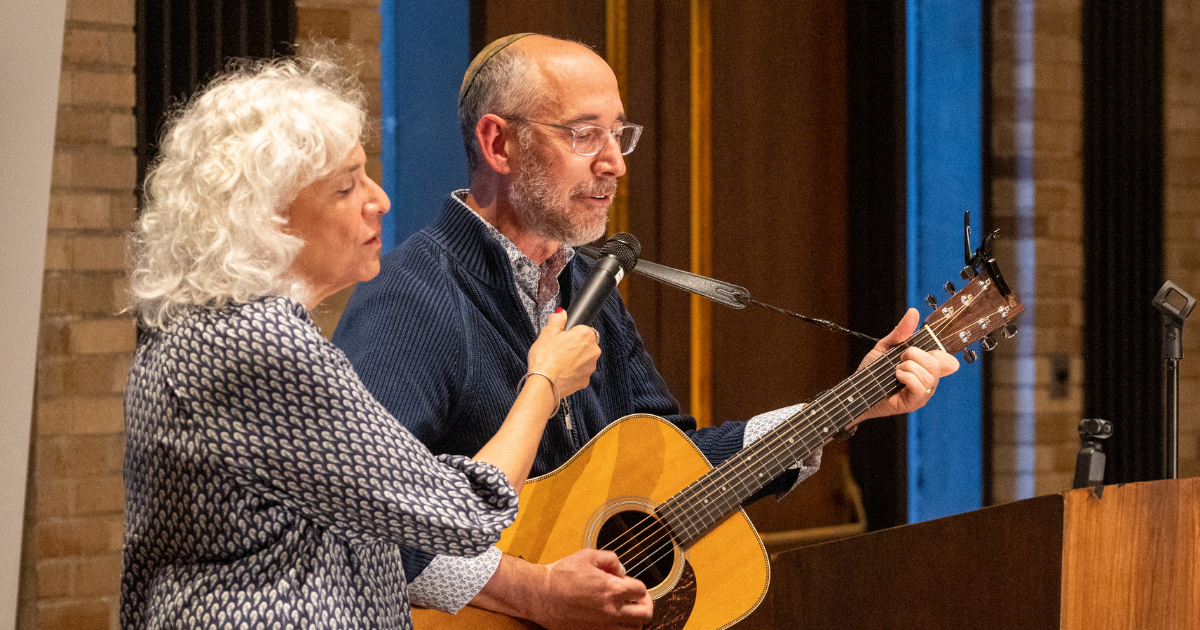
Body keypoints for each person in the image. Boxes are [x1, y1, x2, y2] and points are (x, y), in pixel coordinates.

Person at [333, 34, 959, 629]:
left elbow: (674, 469)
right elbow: (356, 518)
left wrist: (847, 405)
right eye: (584, 135)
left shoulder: (589, 283)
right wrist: (538, 592)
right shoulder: (412, 297)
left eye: (619, 135)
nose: (614, 164)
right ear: (499, 145)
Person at [121, 53, 602, 630]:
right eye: (347, 187)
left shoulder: (207, 334)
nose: (380, 200)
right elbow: (463, 513)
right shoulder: (258, 346)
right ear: (268, 218)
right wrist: (544, 382)